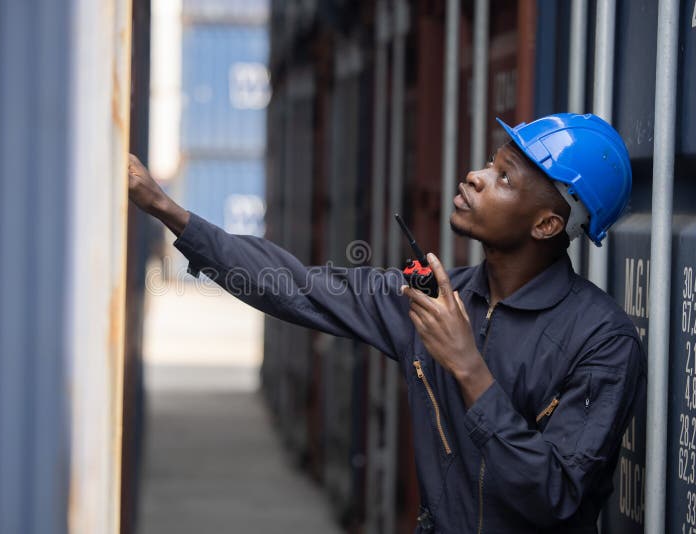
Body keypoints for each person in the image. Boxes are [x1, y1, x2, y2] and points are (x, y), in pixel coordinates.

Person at [128, 113, 645, 533]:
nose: (475, 175)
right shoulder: (435, 300)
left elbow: (555, 498)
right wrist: (166, 209)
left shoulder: (602, 341)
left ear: (547, 223)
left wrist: (468, 368)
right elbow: (293, 284)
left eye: (504, 177)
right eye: (491, 162)